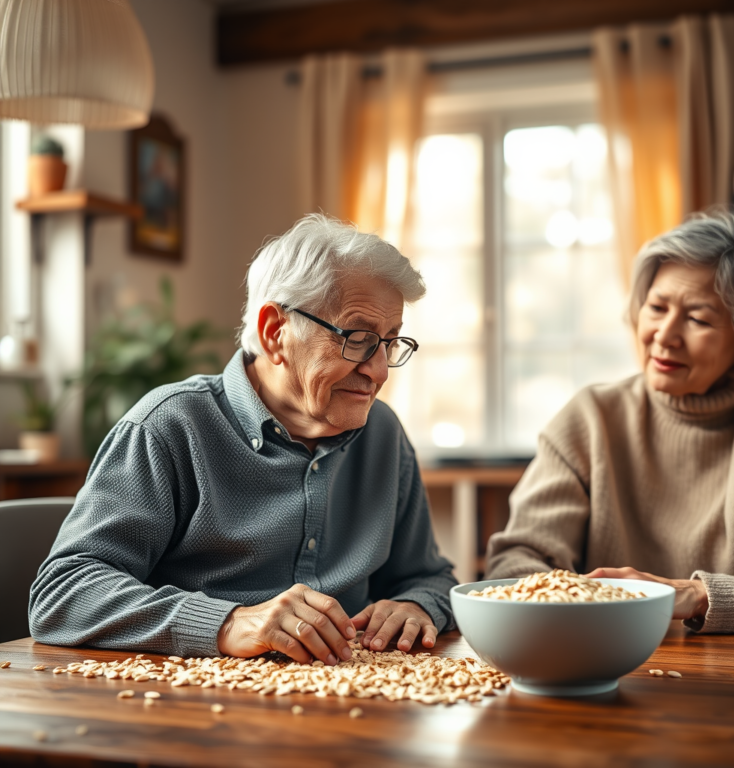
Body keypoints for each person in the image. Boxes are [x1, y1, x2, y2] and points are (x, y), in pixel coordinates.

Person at [30, 214, 457, 662]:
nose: (379, 370)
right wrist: (228, 623)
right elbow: (64, 593)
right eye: (358, 339)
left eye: (390, 342)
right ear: (276, 332)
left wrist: (415, 605)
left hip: (350, 703)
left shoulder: (383, 432)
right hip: (187, 707)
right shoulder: (168, 427)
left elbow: (430, 577)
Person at [487, 211, 734, 633]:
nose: (664, 334)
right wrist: (569, 598)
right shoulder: (591, 418)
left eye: (697, 319)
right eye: (656, 307)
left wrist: (696, 596)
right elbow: (517, 558)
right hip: (599, 659)